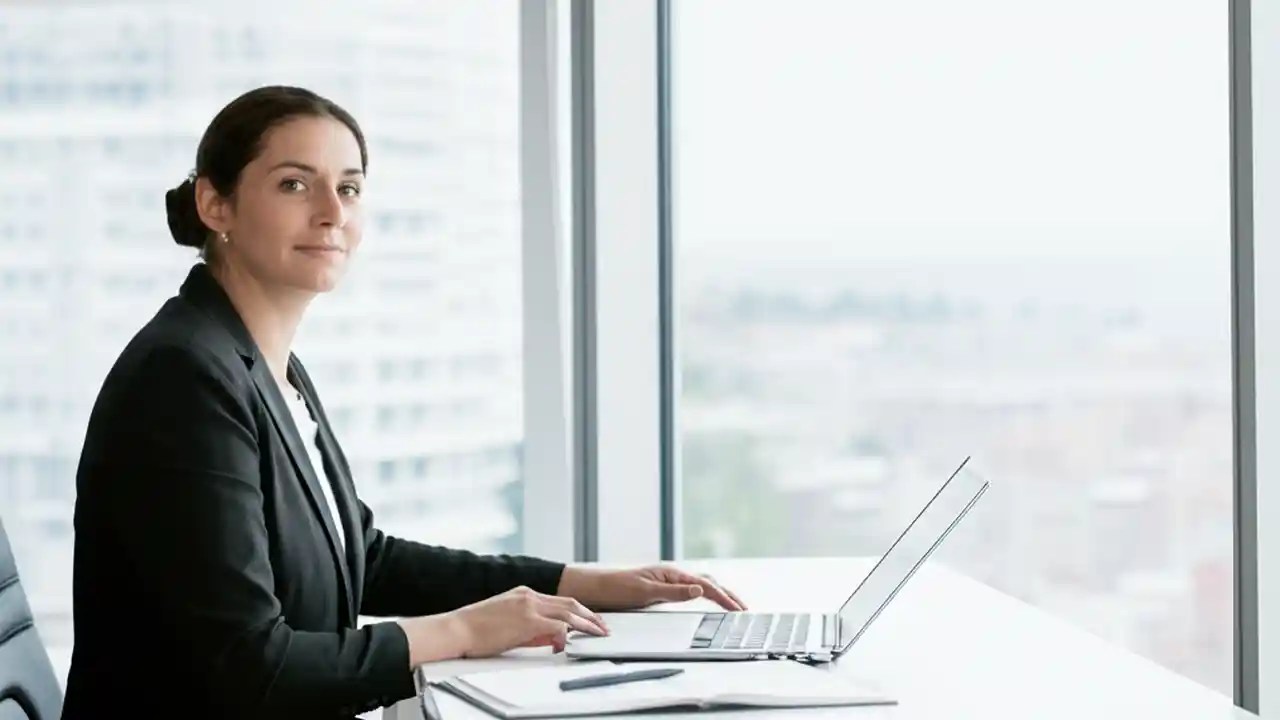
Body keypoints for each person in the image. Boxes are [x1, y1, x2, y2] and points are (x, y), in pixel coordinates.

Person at [61, 85, 744, 720]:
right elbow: (248, 668)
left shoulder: (265, 366)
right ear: (217, 205)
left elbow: (364, 559)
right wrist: (465, 631)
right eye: (295, 184)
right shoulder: (185, 379)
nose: (332, 212)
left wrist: (581, 582)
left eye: (350, 188)